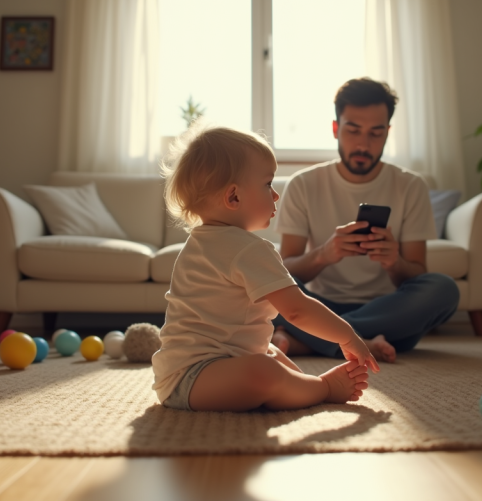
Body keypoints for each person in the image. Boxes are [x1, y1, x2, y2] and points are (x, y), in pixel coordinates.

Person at [151, 122, 379, 412]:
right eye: (268, 184)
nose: (275, 195)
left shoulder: (199, 242)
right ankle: (322, 388)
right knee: (263, 369)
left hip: (183, 373)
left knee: (265, 349)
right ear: (234, 197)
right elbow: (297, 309)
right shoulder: (249, 249)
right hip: (195, 377)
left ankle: (301, 384)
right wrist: (347, 335)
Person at [271, 77, 460, 363]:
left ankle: (316, 339)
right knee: (267, 287)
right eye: (353, 130)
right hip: (319, 306)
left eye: (376, 133)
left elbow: (418, 272)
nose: (363, 144)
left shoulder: (411, 186)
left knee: (443, 289)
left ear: (387, 133)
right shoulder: (303, 184)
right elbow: (287, 270)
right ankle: (360, 340)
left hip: (386, 308)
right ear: (336, 129)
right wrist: (324, 254)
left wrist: (394, 262)